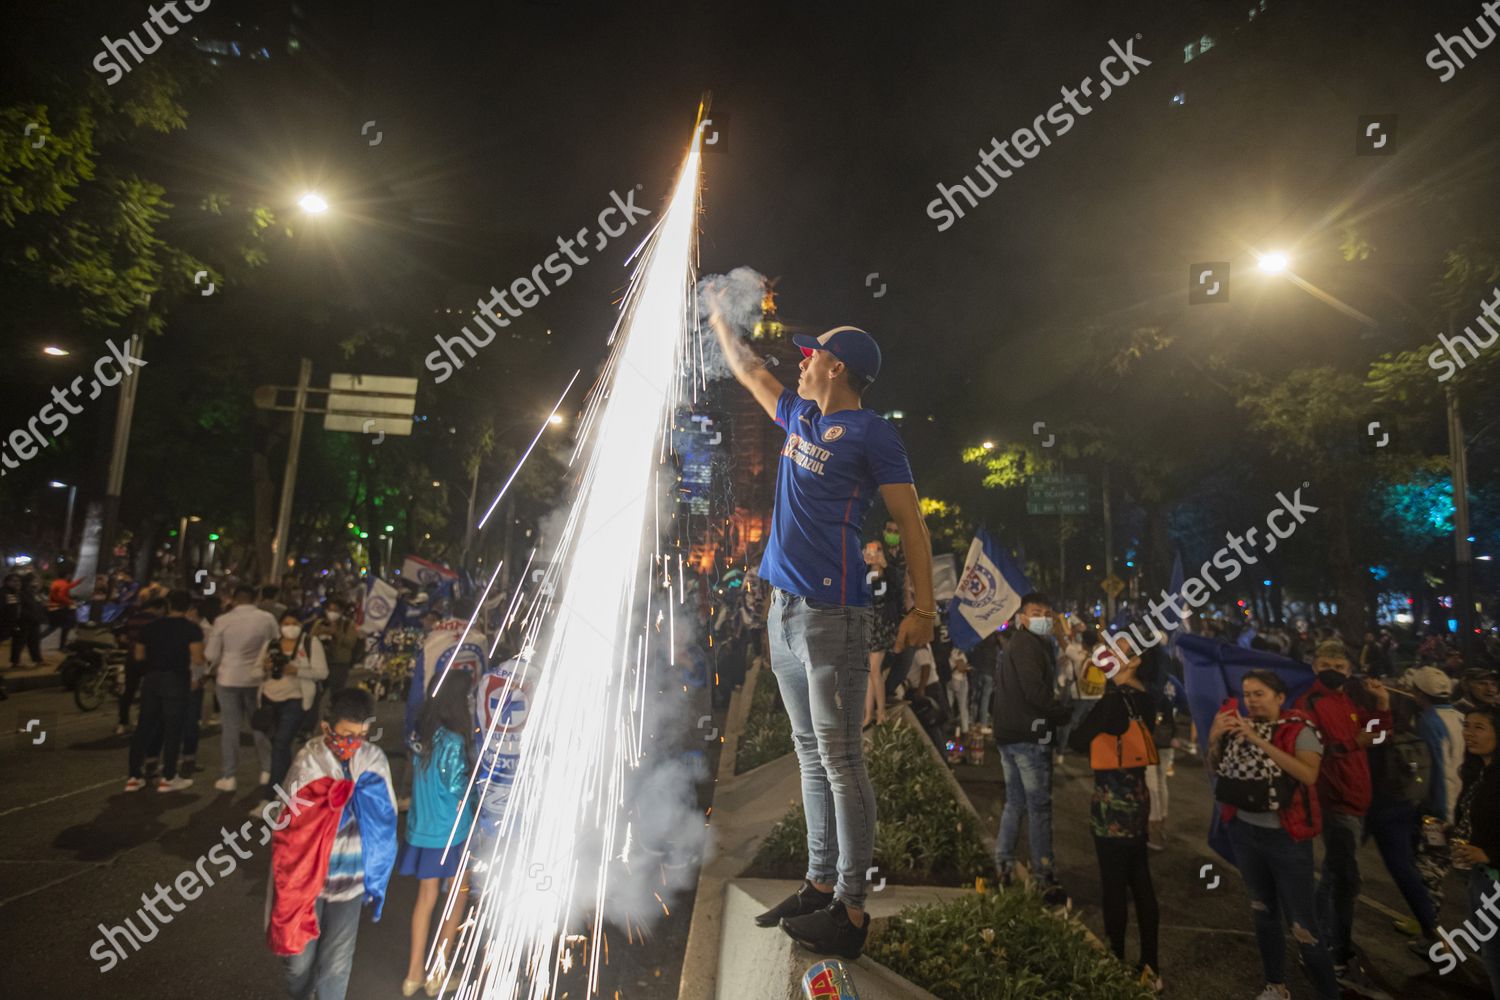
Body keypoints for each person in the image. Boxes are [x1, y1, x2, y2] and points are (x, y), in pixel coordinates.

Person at [710, 301, 934, 959]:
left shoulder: (873, 435)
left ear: (835, 368)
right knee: (809, 751)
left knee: (841, 760)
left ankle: (852, 911)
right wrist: (720, 322)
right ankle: (817, 884)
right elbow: (753, 376)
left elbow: (912, 523)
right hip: (783, 612)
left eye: (811, 357)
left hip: (832, 615)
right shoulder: (801, 414)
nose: (799, 364)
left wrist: (923, 609)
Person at [1210, 670, 1340, 1000]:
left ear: (1280, 697)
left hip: (1287, 839)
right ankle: (1275, 985)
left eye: (1259, 693)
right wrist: (1215, 737)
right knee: (1262, 912)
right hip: (1245, 832)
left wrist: (1257, 739)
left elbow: (1308, 774)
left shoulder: (1299, 729)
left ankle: (1328, 993)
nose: (1251, 700)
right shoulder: (1236, 727)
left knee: (1303, 926)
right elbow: (1217, 770)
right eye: (1247, 694)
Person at [268, 688, 397, 1000]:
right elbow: (287, 822)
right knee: (299, 963)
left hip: (350, 881)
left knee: (337, 966)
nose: (354, 742)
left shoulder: (374, 759)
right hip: (307, 883)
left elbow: (386, 816)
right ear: (327, 728)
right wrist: (329, 800)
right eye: (346, 734)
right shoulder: (308, 761)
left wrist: (355, 797)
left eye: (362, 734)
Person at [1291, 639, 1391, 996]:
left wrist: (1382, 706)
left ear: (1350, 670)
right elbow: (1308, 750)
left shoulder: (1348, 700)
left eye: (1339, 663)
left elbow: (1377, 736)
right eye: (1325, 662)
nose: (1333, 668)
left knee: (1334, 877)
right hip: (1334, 803)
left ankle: (1310, 935)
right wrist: (1353, 744)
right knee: (1347, 882)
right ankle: (1337, 953)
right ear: (1314, 667)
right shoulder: (1309, 703)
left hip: (1359, 799)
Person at [1069, 635, 1162, 992]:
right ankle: (1151, 965)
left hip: (1111, 803)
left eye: (1120, 649)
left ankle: (1115, 963)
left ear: (1135, 660)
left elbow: (1077, 738)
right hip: (1139, 798)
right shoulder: (1147, 697)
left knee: (1113, 885)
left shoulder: (1113, 702)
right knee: (1141, 879)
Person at [993, 592, 1072, 905]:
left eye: (1047, 613)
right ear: (1023, 617)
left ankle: (1003, 863)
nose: (1044, 618)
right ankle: (1044, 875)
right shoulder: (1027, 644)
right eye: (1037, 612)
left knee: (1015, 801)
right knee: (1038, 806)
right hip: (1029, 736)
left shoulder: (1022, 643)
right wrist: (1061, 712)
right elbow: (1034, 691)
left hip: (1011, 734)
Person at [399, 670, 475, 996]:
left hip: (423, 832)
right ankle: (438, 973)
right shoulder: (455, 743)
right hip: (452, 834)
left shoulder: (422, 738)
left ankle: (412, 974)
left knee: (425, 899)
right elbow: (459, 789)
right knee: (457, 895)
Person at [125, 590, 204, 792]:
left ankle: (134, 776)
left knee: (144, 726)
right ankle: (168, 776)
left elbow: (139, 654)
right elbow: (197, 659)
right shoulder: (191, 629)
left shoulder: (150, 627)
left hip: (152, 679)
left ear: (168, 604)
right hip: (177, 679)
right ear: (188, 607)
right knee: (173, 728)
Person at [206, 584, 281, 792]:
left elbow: (211, 654)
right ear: (255, 597)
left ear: (234, 598)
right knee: (259, 724)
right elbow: (275, 645)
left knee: (230, 727)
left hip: (228, 678)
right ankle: (266, 769)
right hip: (257, 679)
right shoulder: (266, 619)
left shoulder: (223, 621)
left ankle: (229, 776)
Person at [1450, 705, 1500, 997]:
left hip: (1495, 876)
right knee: (1486, 948)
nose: (1469, 733)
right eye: (1467, 726)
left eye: (1479, 727)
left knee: (1495, 955)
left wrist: (1490, 854)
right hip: (1479, 878)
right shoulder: (1478, 770)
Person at [259, 611, 330, 805]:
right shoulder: (271, 645)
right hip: (270, 699)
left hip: (296, 700)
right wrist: (265, 667)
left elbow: (322, 673)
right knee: (277, 745)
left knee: (281, 743)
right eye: (286, 623)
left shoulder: (310, 643)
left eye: (294, 622)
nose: (290, 626)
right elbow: (254, 671)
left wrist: (297, 670)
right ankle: (288, 781)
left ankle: (270, 795)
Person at [861, 541, 899, 728]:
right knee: (869, 671)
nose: (872, 554)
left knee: (875, 670)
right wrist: (860, 562)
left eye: (876, 551)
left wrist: (885, 565)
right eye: (869, 551)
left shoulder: (888, 573)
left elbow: (896, 589)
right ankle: (868, 714)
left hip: (883, 625)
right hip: (868, 624)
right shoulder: (864, 572)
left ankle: (881, 712)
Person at [115, 596, 166, 735]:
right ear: (159, 608)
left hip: (132, 658)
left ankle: (123, 723)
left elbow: (123, 638)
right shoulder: (157, 621)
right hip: (150, 659)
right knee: (149, 692)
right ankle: (143, 721)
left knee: (129, 691)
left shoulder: (132, 618)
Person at [45, 569, 84, 648]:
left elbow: (68, 587)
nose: (71, 576)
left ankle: (62, 645)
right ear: (67, 575)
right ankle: (62, 646)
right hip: (60, 609)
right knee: (64, 627)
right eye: (70, 575)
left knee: (54, 627)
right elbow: (61, 596)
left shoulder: (57, 582)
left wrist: (78, 581)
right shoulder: (63, 583)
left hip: (54, 608)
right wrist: (71, 602)